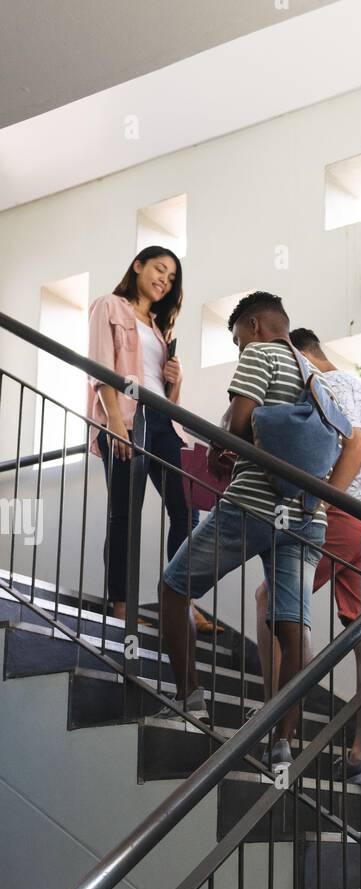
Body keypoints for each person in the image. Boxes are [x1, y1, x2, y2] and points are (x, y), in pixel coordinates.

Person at [158, 292, 361, 764]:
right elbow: (352, 444)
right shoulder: (320, 381)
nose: (238, 351)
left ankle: (190, 698)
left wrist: (217, 446)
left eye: (236, 340)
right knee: (292, 628)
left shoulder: (261, 354)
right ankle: (283, 744)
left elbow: (241, 419)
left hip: (250, 506)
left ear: (254, 326)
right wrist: (318, 495)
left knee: (173, 587)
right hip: (306, 518)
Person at [249, 327, 361, 783]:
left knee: (273, 602)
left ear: (297, 354)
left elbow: (338, 454)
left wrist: (317, 503)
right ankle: (360, 752)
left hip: (341, 514)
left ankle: (279, 727)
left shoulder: (317, 387)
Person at [87, 247, 213, 632]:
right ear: (138, 266)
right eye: (160, 269)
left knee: (187, 508)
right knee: (126, 510)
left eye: (172, 277)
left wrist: (175, 380)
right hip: (126, 416)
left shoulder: (160, 328)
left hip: (162, 420)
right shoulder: (108, 306)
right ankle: (122, 605)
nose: (165, 280)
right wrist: (115, 423)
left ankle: (180, 602)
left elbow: (163, 390)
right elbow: (101, 367)